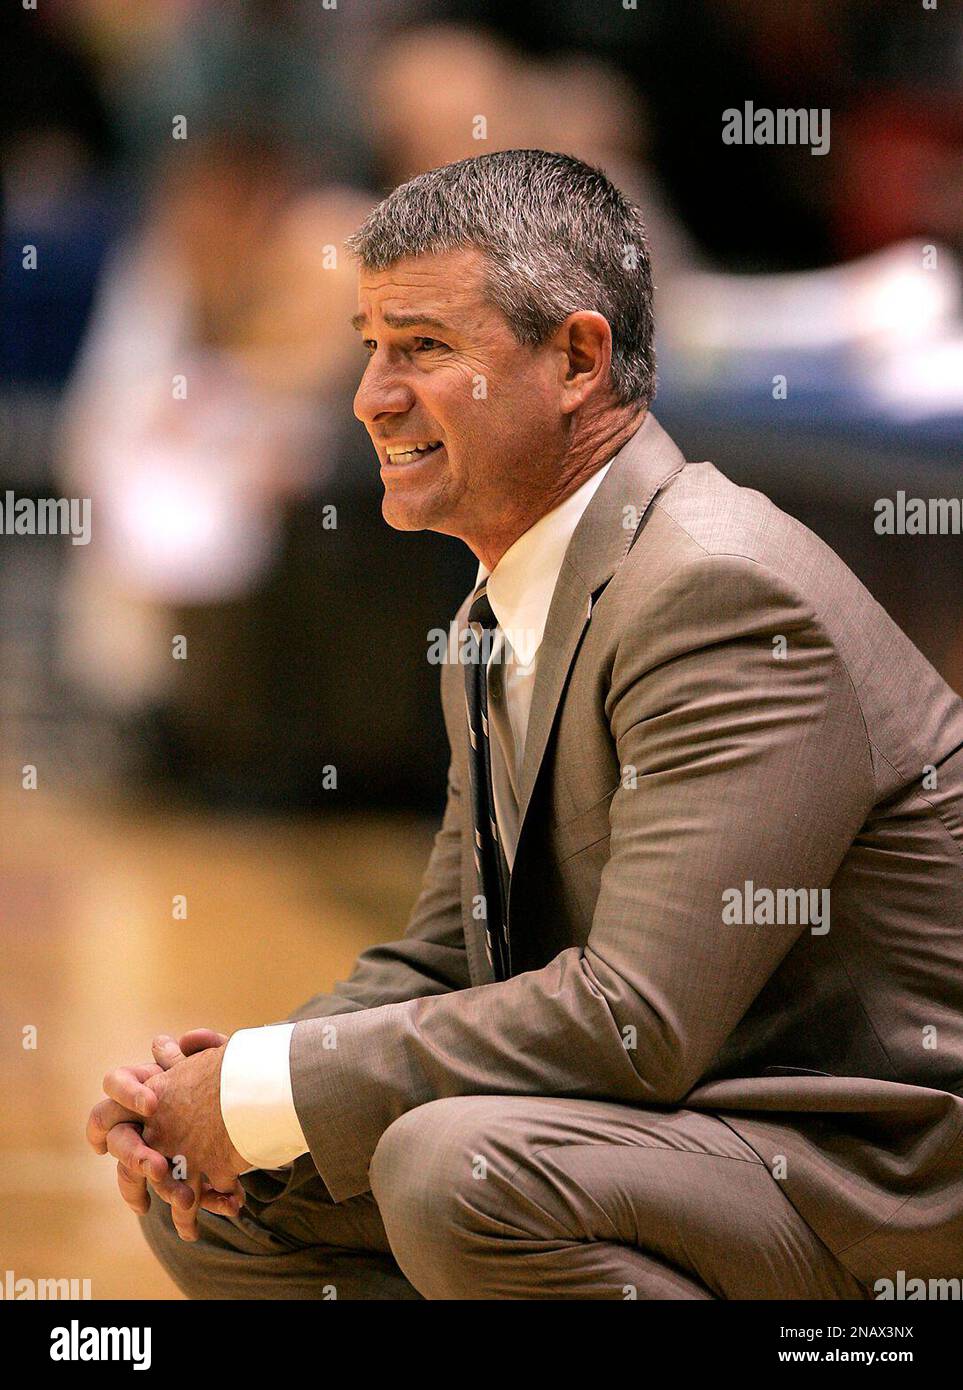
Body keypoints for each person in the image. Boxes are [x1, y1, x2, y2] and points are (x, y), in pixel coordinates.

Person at [87, 150, 963, 1300]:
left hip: (874, 1182)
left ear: (579, 358)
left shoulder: (727, 594)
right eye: (369, 345)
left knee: (455, 1170)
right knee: (243, 1197)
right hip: (686, 1140)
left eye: (426, 347)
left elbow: (636, 1019)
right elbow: (446, 956)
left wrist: (273, 1087)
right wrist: (219, 1093)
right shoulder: (502, 606)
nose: (370, 395)